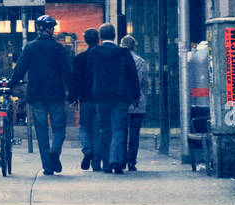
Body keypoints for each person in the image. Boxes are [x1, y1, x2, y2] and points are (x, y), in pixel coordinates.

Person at [9, 15, 71, 175]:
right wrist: (72, 92)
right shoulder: (58, 48)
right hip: (55, 94)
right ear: (50, 29)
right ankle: (55, 152)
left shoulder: (29, 47)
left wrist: (10, 86)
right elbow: (67, 72)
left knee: (41, 131)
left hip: (36, 95)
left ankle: (47, 167)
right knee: (58, 129)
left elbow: (20, 70)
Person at [88, 23, 141, 174]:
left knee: (104, 130)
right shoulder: (123, 53)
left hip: (101, 97)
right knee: (118, 129)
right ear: (115, 35)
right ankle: (116, 161)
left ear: (100, 36)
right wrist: (135, 95)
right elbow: (133, 76)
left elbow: (90, 72)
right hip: (120, 96)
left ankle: (106, 164)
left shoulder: (94, 52)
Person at [72, 28, 105, 172]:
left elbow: (75, 79)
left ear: (85, 40)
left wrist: (74, 96)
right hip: (100, 98)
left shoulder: (80, 58)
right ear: (98, 38)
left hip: (85, 99)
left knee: (84, 127)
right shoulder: (103, 56)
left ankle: (87, 149)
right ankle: (96, 164)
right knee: (97, 131)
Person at [120, 34, 149, 171]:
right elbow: (144, 82)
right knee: (135, 133)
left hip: (122, 101)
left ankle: (121, 159)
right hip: (138, 101)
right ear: (134, 46)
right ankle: (132, 161)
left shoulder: (118, 61)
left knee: (122, 131)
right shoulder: (141, 61)